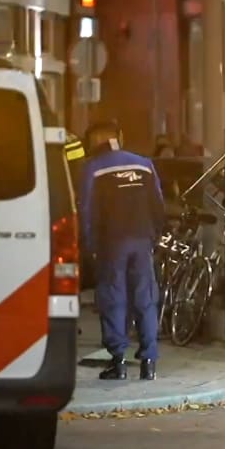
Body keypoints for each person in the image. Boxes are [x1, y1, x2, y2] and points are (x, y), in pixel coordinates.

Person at [78, 120, 166, 380]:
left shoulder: (92, 168)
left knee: (114, 298)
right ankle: (149, 362)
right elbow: (158, 204)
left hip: (111, 242)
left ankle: (119, 362)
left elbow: (85, 210)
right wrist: (155, 237)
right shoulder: (144, 164)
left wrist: (89, 245)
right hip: (142, 240)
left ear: (96, 138)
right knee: (145, 298)